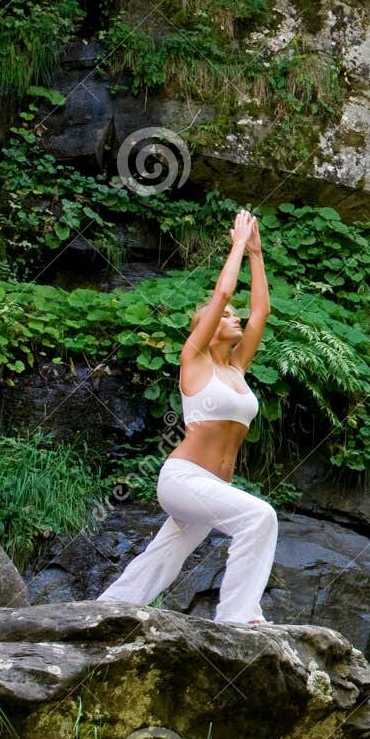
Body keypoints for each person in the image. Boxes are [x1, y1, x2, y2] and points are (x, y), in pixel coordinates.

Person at [98, 209, 277, 625]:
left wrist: (255, 252)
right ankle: (236, 615)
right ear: (208, 328)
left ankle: (108, 608)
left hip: (211, 486)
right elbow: (221, 296)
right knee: (260, 517)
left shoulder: (237, 369)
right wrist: (235, 245)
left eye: (235, 317)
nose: (235, 318)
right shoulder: (194, 361)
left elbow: (262, 312)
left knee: (164, 556)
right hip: (184, 480)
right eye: (226, 318)